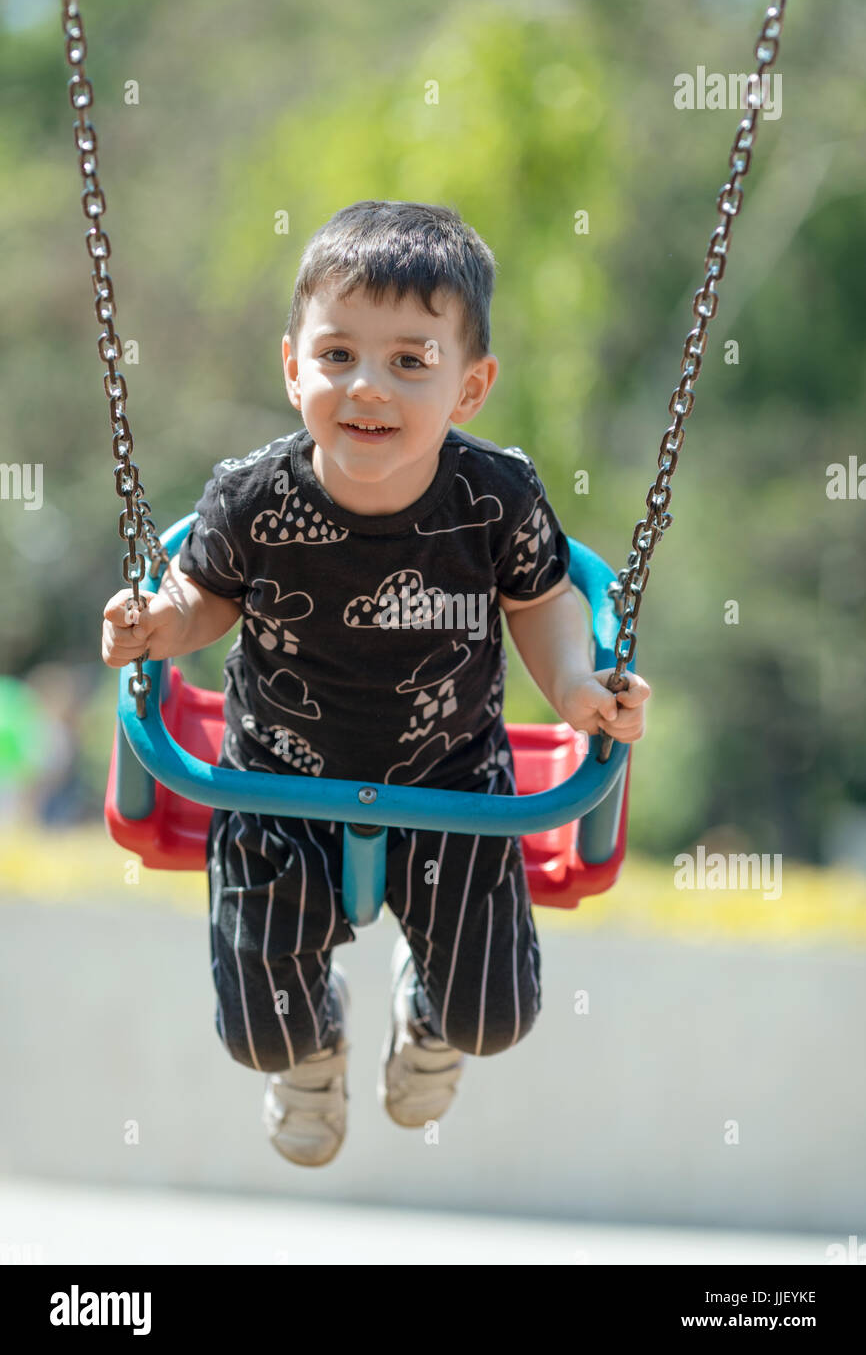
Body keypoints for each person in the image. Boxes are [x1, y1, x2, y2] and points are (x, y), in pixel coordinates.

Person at [101, 201, 651, 1168]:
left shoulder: (497, 498)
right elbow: (203, 597)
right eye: (337, 354)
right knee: (257, 1031)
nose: (367, 385)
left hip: (453, 783)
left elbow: (543, 598)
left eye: (410, 360)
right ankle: (310, 1045)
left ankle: (430, 1009)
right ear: (291, 366)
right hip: (276, 777)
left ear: (470, 386)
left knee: (494, 1018)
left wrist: (576, 687)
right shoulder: (253, 497)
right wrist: (159, 623)